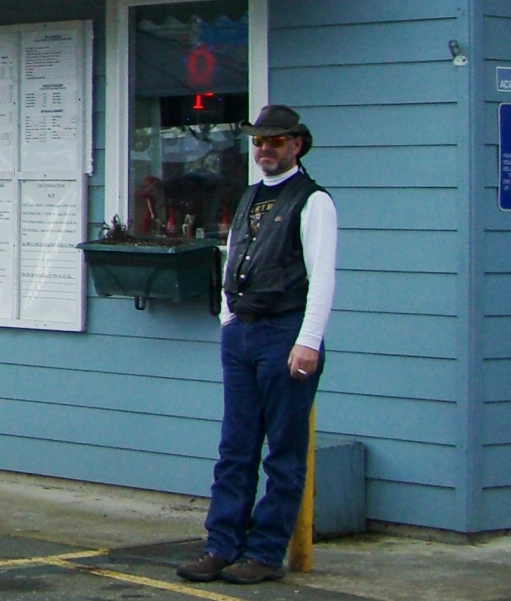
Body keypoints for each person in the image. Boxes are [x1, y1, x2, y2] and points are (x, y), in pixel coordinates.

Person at [176, 105, 337, 585]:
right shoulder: (249, 195)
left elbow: (322, 278)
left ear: (296, 145)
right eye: (259, 141)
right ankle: (221, 544)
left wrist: (308, 340)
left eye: (275, 141)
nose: (265, 149)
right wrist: (228, 320)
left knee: (284, 449)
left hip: (285, 332)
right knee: (236, 446)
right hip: (242, 332)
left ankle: (266, 552)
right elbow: (232, 257)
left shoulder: (313, 201)